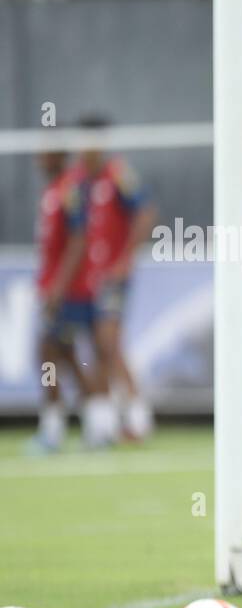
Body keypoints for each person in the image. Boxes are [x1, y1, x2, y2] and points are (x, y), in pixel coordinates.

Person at [78, 115, 157, 441]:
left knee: (109, 340)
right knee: (96, 345)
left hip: (112, 277)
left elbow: (147, 212)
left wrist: (126, 258)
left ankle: (138, 416)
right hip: (85, 280)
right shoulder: (79, 181)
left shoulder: (117, 174)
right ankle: (102, 421)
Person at [31, 149, 115, 451]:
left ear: (58, 157)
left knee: (52, 353)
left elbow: (79, 239)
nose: (37, 158)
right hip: (62, 289)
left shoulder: (69, 190)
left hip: (72, 293)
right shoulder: (53, 191)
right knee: (65, 356)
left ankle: (55, 429)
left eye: (44, 154)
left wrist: (57, 287)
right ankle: (96, 426)